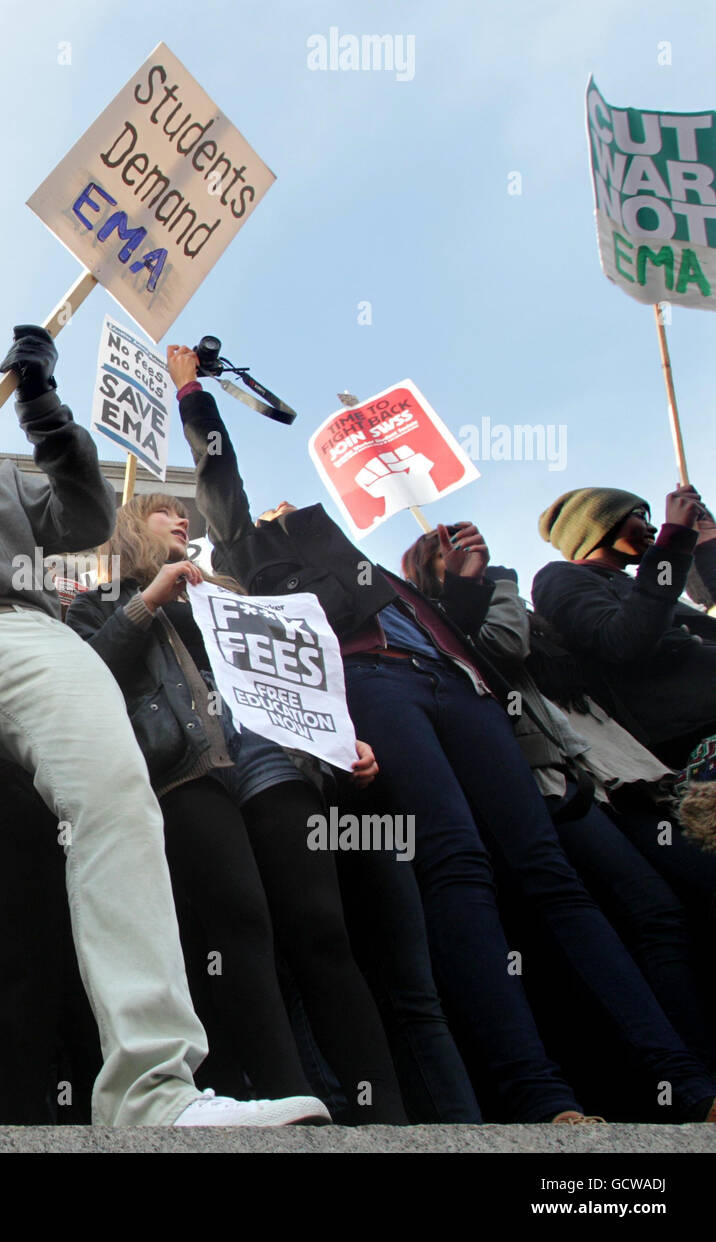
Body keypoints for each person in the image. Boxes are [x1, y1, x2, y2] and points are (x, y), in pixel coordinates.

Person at [167, 341, 716, 1123]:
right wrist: (193, 394)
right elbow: (221, 478)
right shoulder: (252, 552)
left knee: (550, 876)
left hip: (461, 692)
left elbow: (479, 641)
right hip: (375, 688)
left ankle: (688, 1084)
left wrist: (455, 593)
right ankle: (542, 1098)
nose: (289, 510)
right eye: (275, 510)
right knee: (457, 867)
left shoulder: (377, 572)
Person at [0, 325, 330, 1127]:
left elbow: (88, 516)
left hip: (27, 625)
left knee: (120, 798)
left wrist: (43, 407)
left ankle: (156, 1087)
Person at [67, 493, 406, 1121]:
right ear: (129, 529)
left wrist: (337, 738)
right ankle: (286, 1101)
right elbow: (85, 681)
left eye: (184, 514)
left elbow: (295, 679)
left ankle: (383, 1111)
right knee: (239, 924)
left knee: (321, 927)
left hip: (271, 754)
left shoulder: (230, 593)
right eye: (162, 513)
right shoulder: (99, 604)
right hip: (187, 765)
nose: (182, 521)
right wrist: (146, 604)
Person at [404, 527, 716, 1071]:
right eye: (449, 552)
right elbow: (502, 646)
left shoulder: (532, 608)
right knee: (653, 915)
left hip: (620, 772)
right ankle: (689, 1074)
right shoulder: (441, 620)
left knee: (690, 889)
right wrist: (489, 582)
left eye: (476, 545)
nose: (472, 551)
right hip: (554, 780)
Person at [533, 485, 716, 773]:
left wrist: (705, 543)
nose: (653, 527)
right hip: (695, 734)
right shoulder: (559, 578)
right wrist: (673, 540)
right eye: (640, 515)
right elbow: (624, 642)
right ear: (599, 524)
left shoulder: (638, 583)